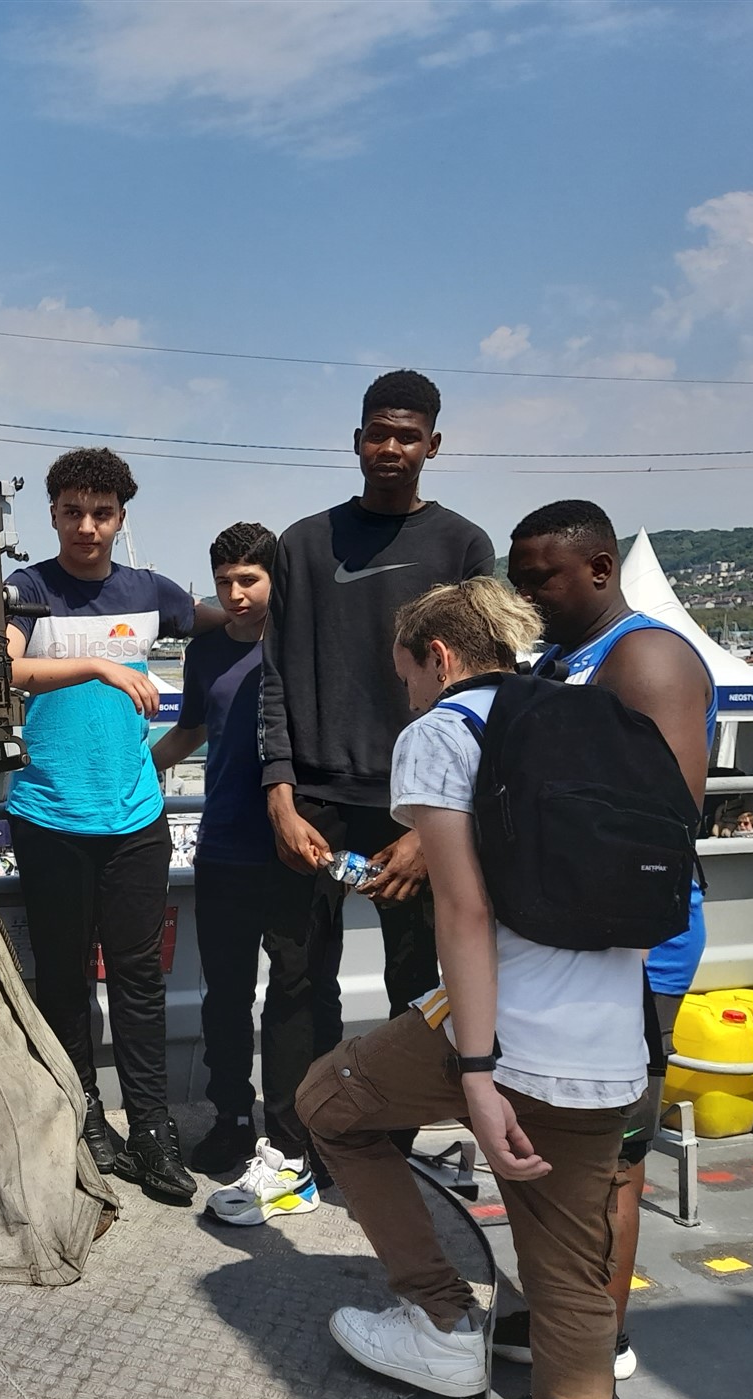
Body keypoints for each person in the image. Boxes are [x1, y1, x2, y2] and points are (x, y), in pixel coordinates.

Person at [298, 578, 646, 1399]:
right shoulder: (591, 720)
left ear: (439, 657)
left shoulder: (444, 732)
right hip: (613, 1038)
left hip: (502, 1029)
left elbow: (464, 909)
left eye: (406, 673)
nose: (405, 691)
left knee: (330, 1102)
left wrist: (480, 1072)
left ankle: (442, 1323)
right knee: (570, 1275)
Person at [489, 499, 717, 1399]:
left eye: (539, 576)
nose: (526, 594)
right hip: (558, 961)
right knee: (552, 1156)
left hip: (633, 967)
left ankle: (596, 1370)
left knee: (609, 1167)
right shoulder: (553, 663)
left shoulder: (647, 659)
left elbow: (658, 830)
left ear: (595, 566)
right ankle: (561, 1316)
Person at [258, 371, 495, 1168]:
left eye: (407, 435)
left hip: (415, 809)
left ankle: (393, 1149)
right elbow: (277, 678)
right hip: (314, 803)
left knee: (420, 986)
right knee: (295, 980)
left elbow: (481, 693)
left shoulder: (462, 546)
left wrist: (433, 833)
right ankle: (293, 1149)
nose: (390, 448)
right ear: (355, 438)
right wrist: (281, 797)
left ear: (433, 444)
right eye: (377, 433)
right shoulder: (302, 544)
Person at [4, 447, 225, 1206]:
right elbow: (7, 671)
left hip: (135, 815)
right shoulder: (27, 589)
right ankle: (85, 1115)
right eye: (72, 512)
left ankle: (154, 1130)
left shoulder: (153, 592)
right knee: (62, 978)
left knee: (137, 978)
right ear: (54, 513)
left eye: (102, 513)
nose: (87, 527)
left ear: (122, 517)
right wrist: (99, 666)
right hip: (50, 814)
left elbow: (233, 625)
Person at [149, 521, 324, 1213]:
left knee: (296, 992)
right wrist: (138, 767)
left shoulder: (301, 644)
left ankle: (290, 1132)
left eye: (248, 580)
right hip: (223, 841)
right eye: (224, 582)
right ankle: (231, 1119)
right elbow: (192, 728)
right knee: (226, 995)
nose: (235, 594)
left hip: (293, 844)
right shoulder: (207, 649)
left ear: (275, 579)